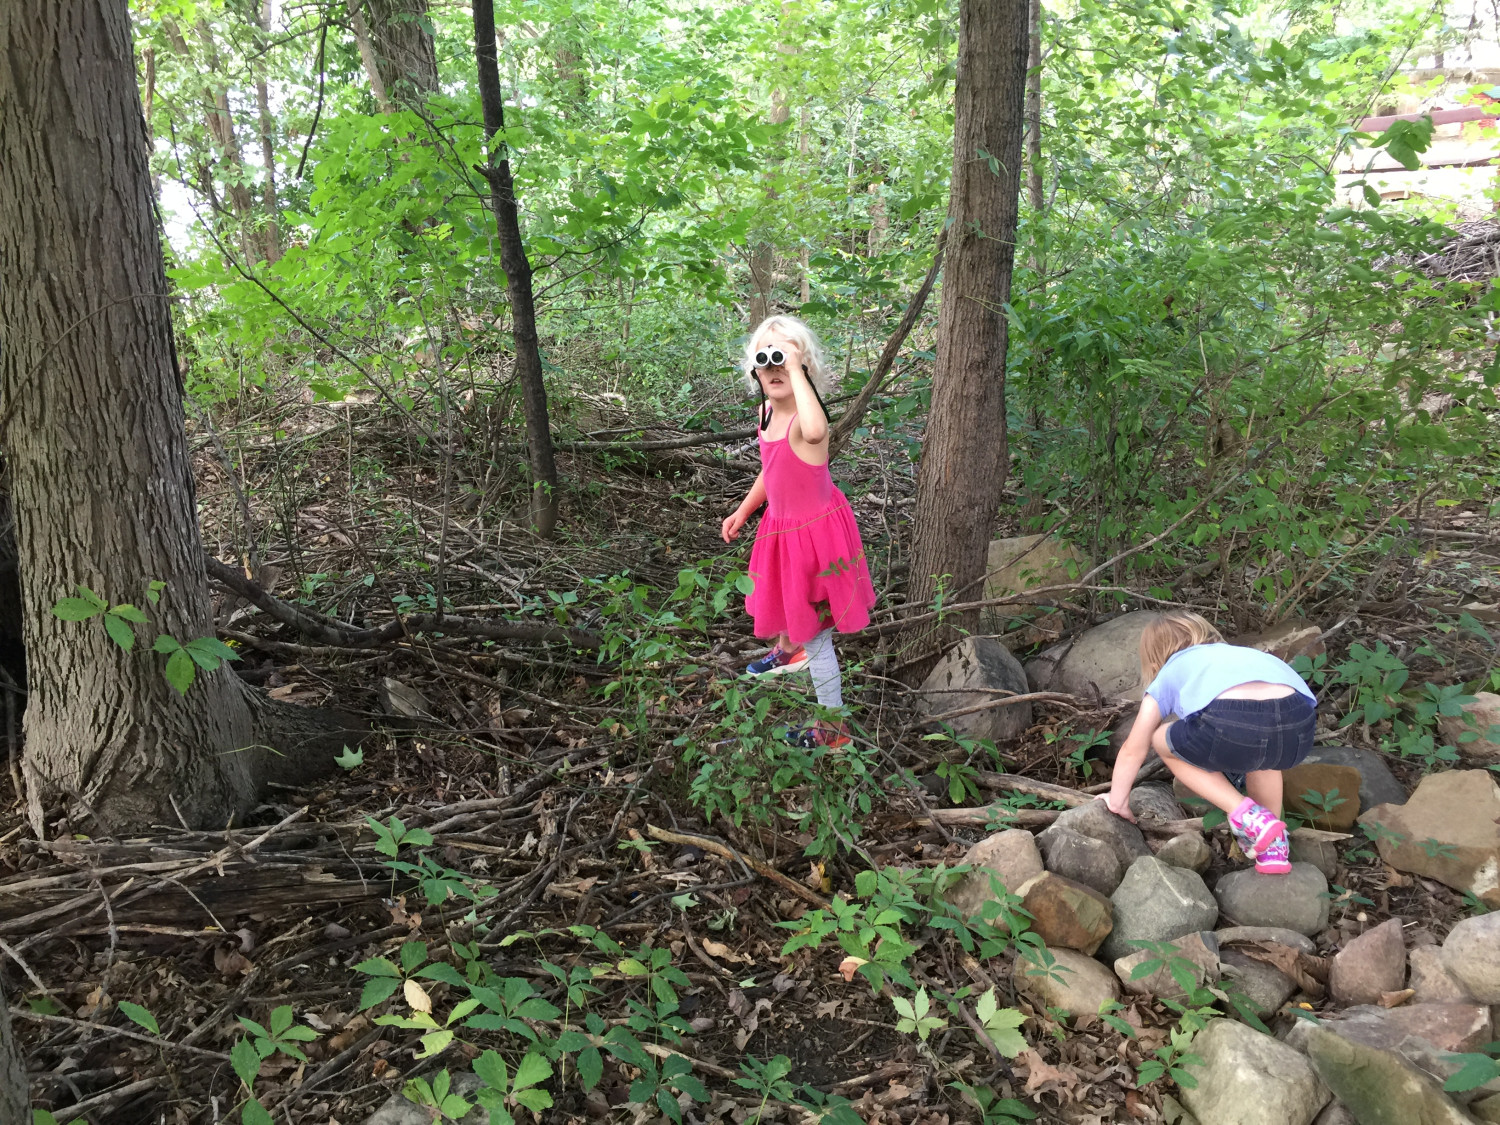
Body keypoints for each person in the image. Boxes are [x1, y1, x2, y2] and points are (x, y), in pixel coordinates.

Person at [720, 315, 876, 748]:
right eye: (764, 359)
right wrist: (744, 510)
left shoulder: (809, 423)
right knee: (786, 602)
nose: (773, 368)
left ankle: (833, 731)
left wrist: (793, 369)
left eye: (783, 359)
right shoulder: (766, 411)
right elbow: (771, 471)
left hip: (816, 537)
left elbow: (815, 430)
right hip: (783, 530)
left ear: (803, 366)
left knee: (818, 637)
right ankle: (789, 646)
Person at [1097, 610, 1318, 874]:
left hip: (1232, 718)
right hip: (1299, 723)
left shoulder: (1171, 669)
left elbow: (1134, 747)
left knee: (1160, 738)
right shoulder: (1240, 653)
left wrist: (1118, 800)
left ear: (1155, 657)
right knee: (1264, 758)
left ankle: (1248, 816)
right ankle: (1273, 845)